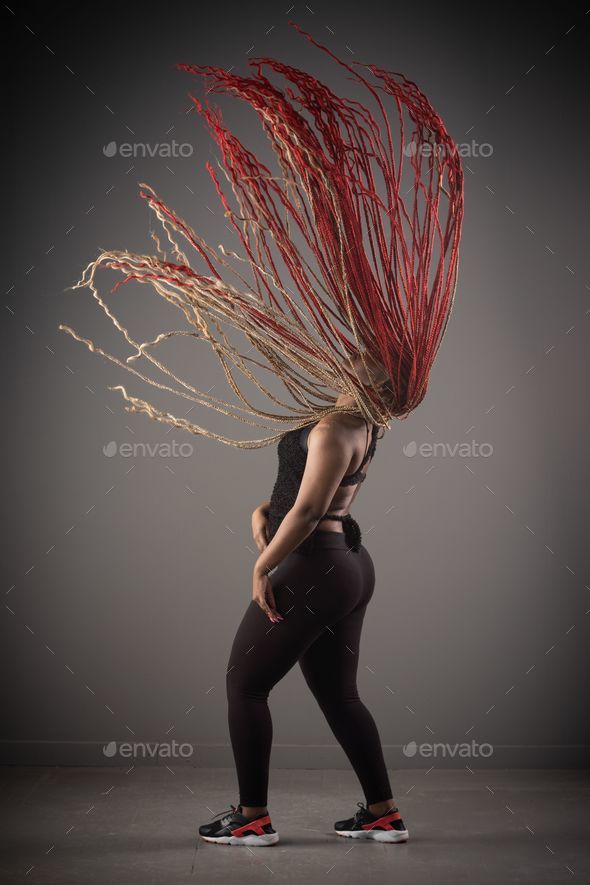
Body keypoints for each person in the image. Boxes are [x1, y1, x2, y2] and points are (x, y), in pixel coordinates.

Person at [197, 353, 410, 846]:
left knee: (244, 686)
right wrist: (265, 509)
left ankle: (252, 819)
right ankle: (383, 814)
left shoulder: (337, 426)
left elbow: (312, 508)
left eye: (361, 363)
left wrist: (262, 564)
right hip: (347, 564)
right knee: (339, 695)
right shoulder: (360, 426)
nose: (349, 360)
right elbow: (315, 491)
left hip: (317, 563)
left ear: (373, 385)